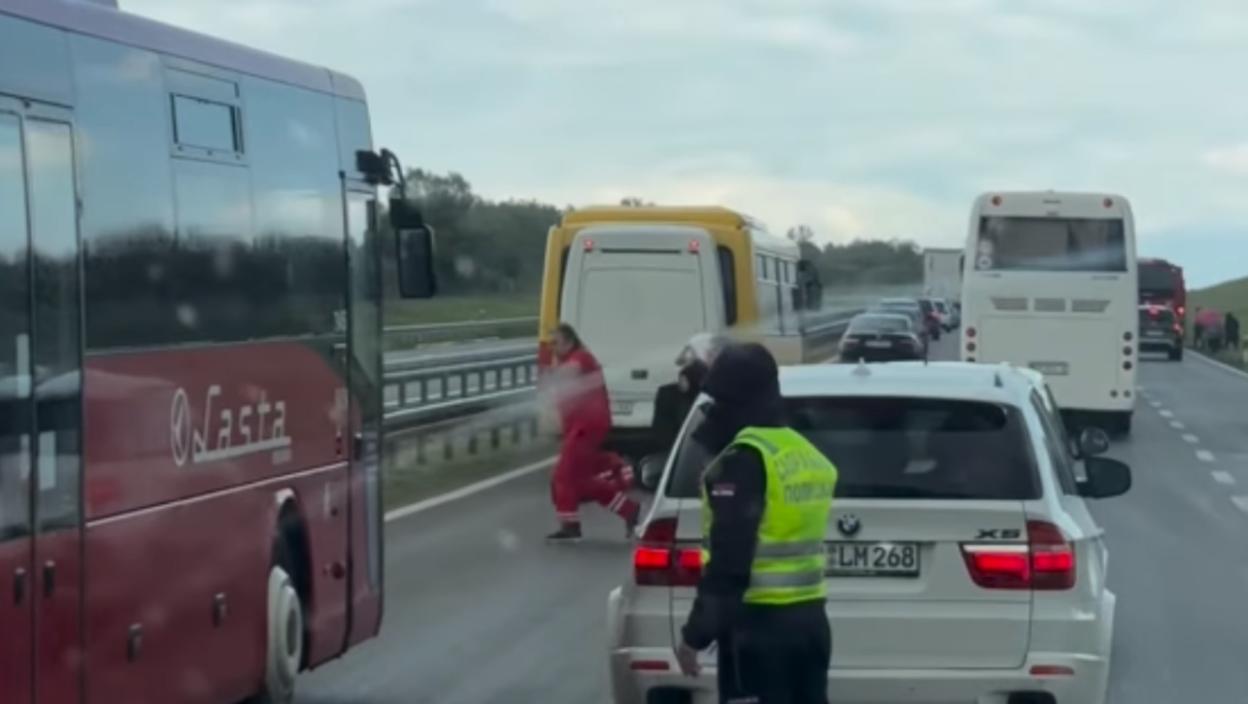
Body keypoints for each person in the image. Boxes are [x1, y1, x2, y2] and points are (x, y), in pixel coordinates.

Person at [675, 343, 839, 704]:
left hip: (758, 633)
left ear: (737, 398)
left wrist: (695, 635)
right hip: (810, 624)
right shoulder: (802, 452)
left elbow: (730, 563)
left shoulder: (744, 460)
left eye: (721, 400)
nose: (714, 412)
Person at [544, 323, 640, 542]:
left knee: (564, 474)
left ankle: (570, 526)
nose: (552, 348)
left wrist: (551, 374)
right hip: (579, 427)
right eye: (550, 344)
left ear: (570, 341)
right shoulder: (569, 360)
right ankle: (629, 510)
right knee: (581, 479)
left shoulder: (581, 357)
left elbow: (570, 372)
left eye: (556, 343)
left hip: (587, 426)